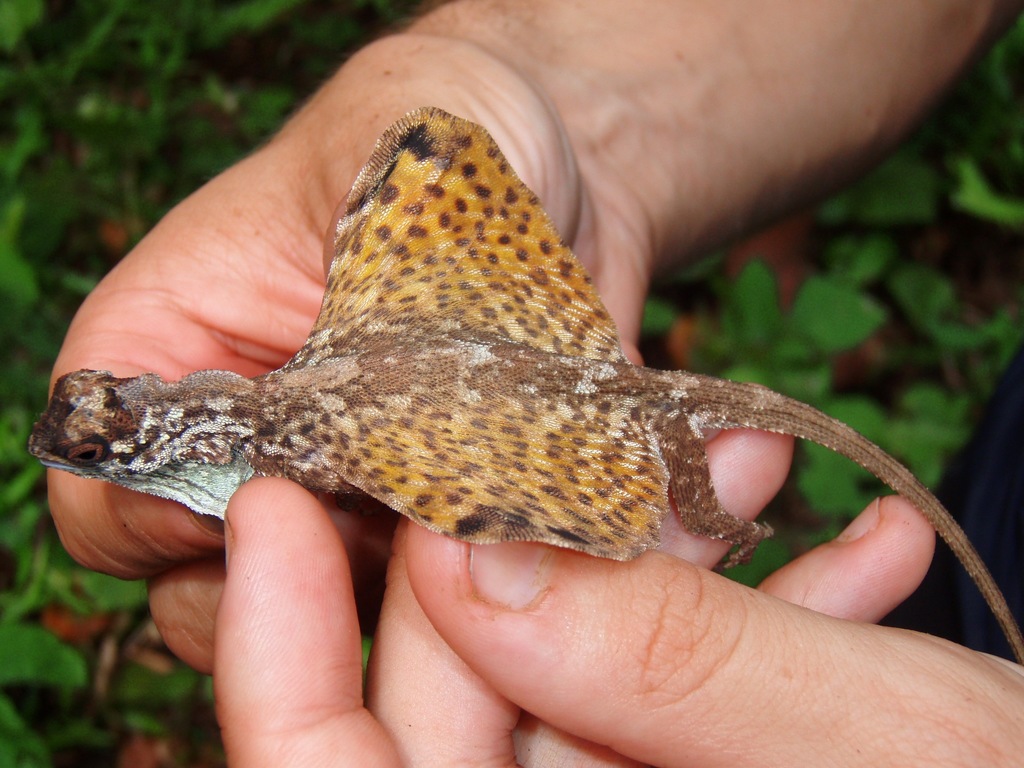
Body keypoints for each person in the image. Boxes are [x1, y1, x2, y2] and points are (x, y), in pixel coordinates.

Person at [45, 2, 1024, 765]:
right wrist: (539, 104)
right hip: (471, 365)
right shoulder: (261, 427)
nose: (76, 448)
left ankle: (711, 525)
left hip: (484, 389)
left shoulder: (283, 438)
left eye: (92, 444)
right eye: (98, 424)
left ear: (157, 435)